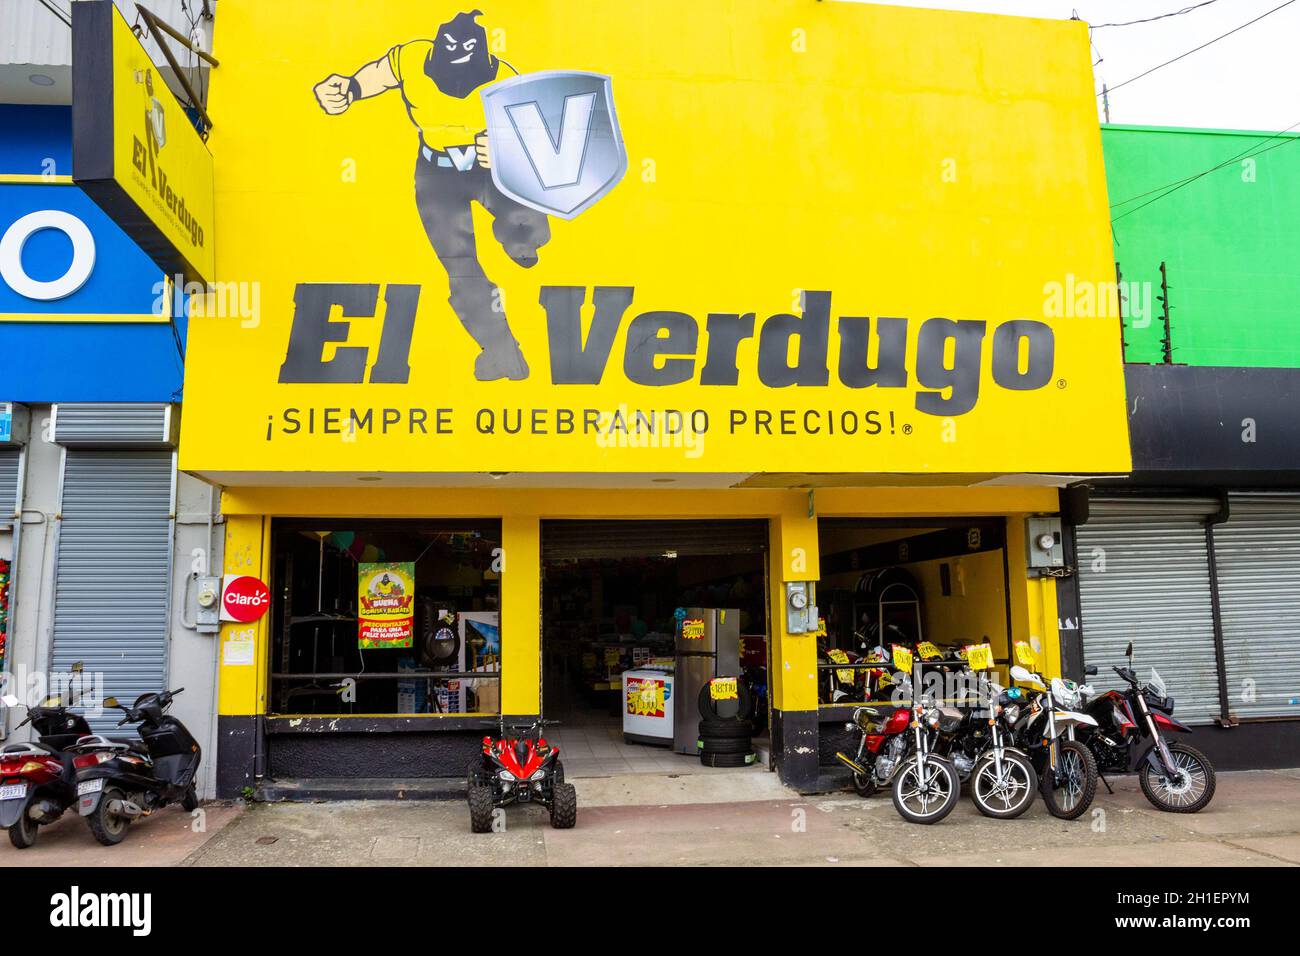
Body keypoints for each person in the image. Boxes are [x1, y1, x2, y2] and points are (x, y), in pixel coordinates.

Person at [312, 9, 549, 381]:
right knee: (459, 265)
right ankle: (502, 352)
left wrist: (508, 148)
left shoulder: (507, 80)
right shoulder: (411, 57)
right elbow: (379, 74)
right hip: (437, 173)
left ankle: (524, 239)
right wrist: (349, 88)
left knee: (527, 214)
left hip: (490, 171)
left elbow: (541, 139)